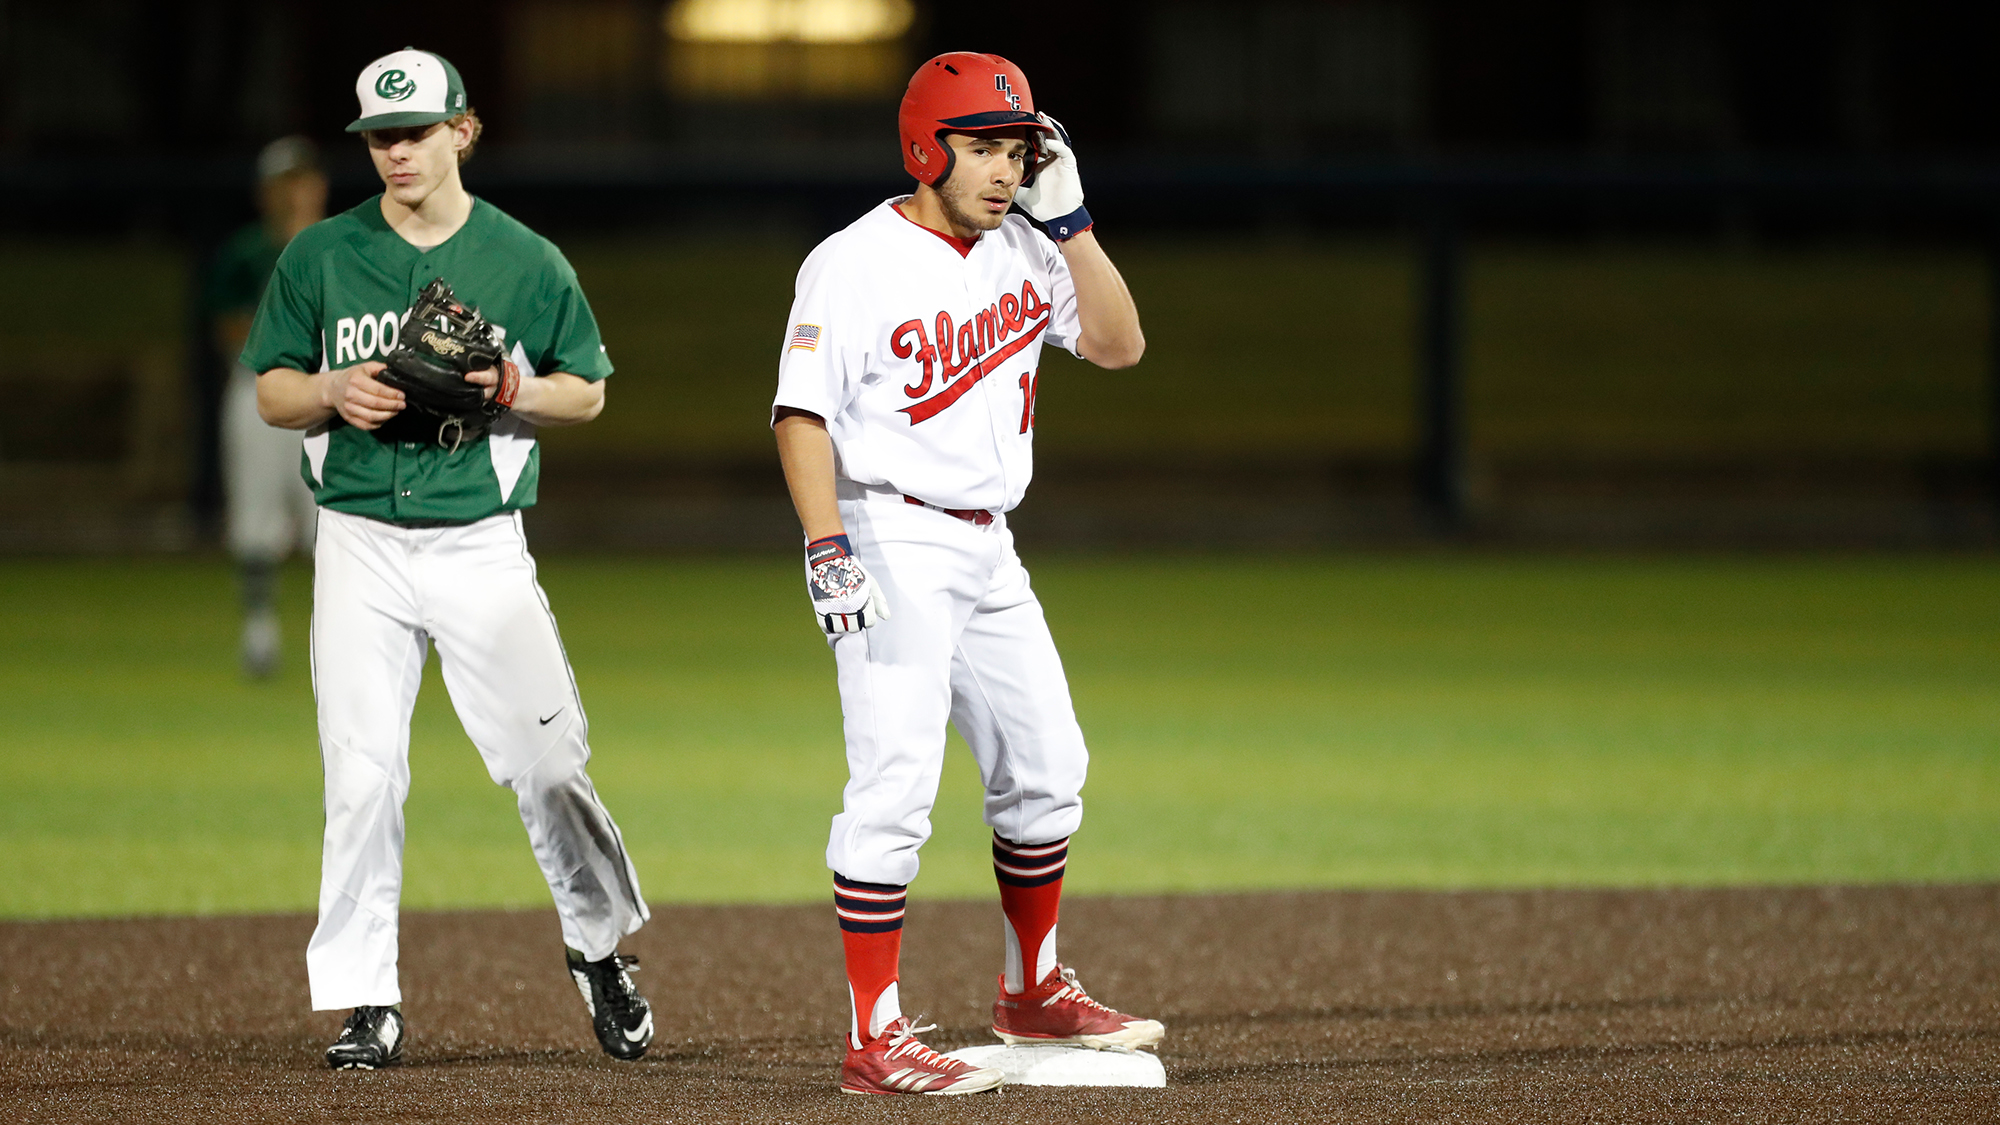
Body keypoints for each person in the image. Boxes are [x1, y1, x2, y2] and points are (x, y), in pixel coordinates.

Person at [242, 48, 653, 1070]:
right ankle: (363, 999)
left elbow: (588, 391)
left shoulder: (525, 260)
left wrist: (512, 386)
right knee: (363, 774)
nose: (396, 151)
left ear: (462, 131)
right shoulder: (321, 256)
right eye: (380, 136)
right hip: (360, 541)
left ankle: (599, 947)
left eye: (415, 130)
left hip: (478, 539)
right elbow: (271, 390)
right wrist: (334, 389)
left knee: (549, 761)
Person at [770, 52, 1159, 1097]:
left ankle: (1030, 989)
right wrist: (824, 543)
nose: (1003, 170)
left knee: (1045, 768)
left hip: (988, 544)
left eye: (1017, 149)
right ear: (924, 148)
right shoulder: (850, 261)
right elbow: (799, 413)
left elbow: (1119, 347)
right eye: (981, 147)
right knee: (893, 787)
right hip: (887, 534)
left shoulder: (1029, 249)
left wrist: (1074, 229)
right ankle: (873, 1038)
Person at [204, 136, 324, 677]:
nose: (295, 191)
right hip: (258, 392)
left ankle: (344, 636)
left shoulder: (342, 247)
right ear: (264, 193)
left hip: (327, 396)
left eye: (303, 179)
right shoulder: (246, 252)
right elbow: (230, 330)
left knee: (337, 522)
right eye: (284, 182)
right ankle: (260, 634)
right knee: (255, 521)